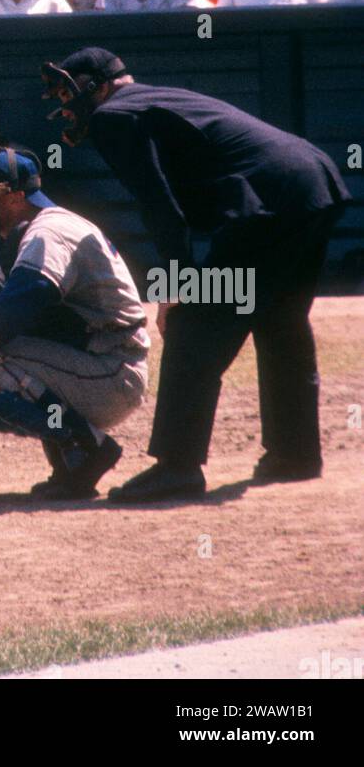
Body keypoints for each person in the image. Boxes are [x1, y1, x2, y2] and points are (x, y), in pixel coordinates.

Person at [42, 46, 350, 500]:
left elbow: (161, 208)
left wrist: (177, 287)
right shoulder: (148, 100)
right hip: (314, 181)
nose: (65, 107)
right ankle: (295, 453)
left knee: (193, 326)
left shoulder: (113, 116)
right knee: (280, 321)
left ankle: (178, 466)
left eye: (68, 94)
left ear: (98, 86)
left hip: (271, 199)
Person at [0, 145, 149, 498]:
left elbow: (8, 316)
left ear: (15, 197)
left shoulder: (50, 231)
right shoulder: (24, 235)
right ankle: (68, 458)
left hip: (112, 370)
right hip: (89, 364)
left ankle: (87, 446)